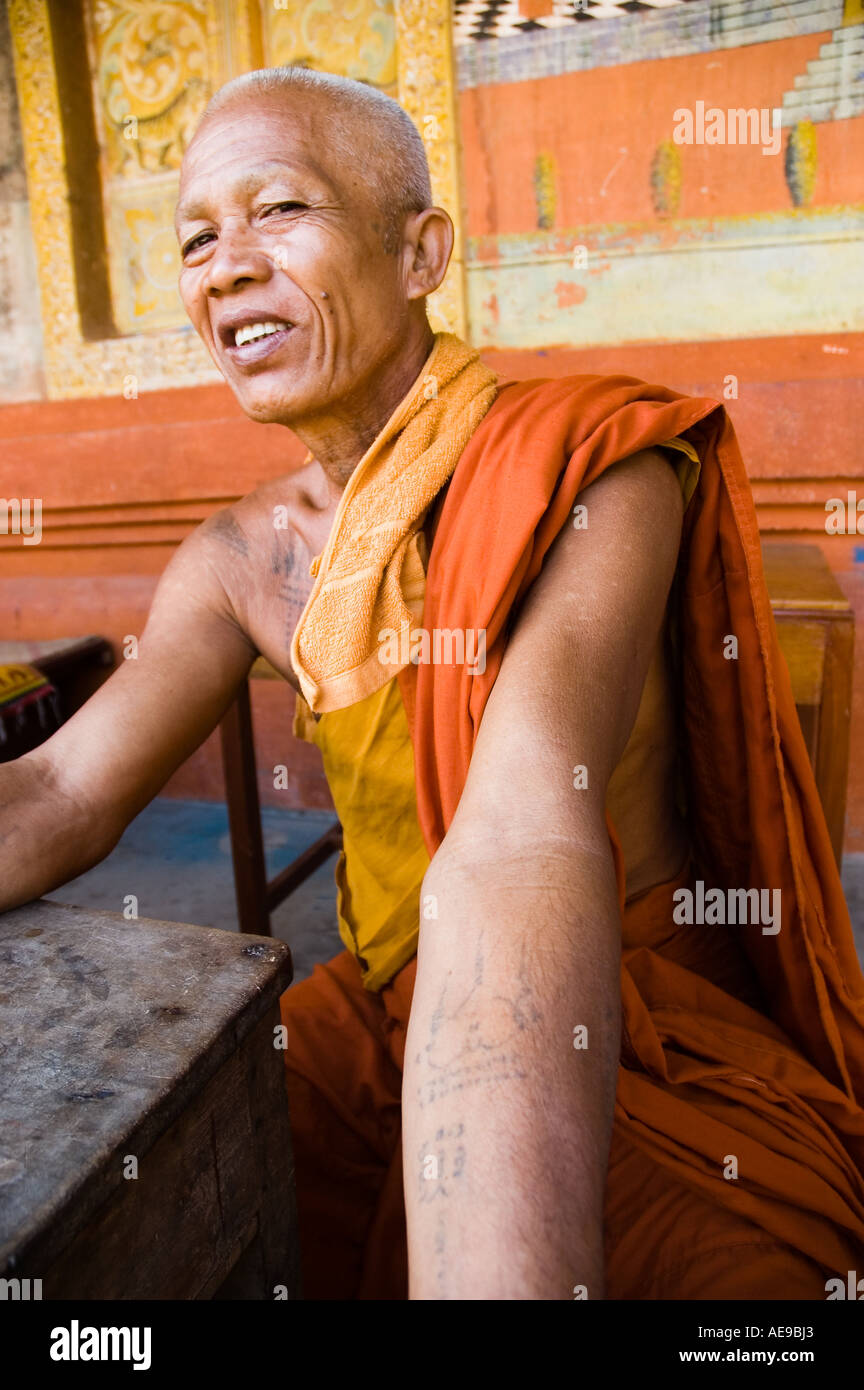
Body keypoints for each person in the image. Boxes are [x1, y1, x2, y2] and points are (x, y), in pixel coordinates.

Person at [2, 66, 863, 1301]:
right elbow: (63, 790)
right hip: (391, 1017)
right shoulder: (241, 557)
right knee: (147, 1237)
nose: (226, 264)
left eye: (279, 211)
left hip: (623, 1012)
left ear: (420, 254)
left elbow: (519, 830)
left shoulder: (589, 468)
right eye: (197, 235)